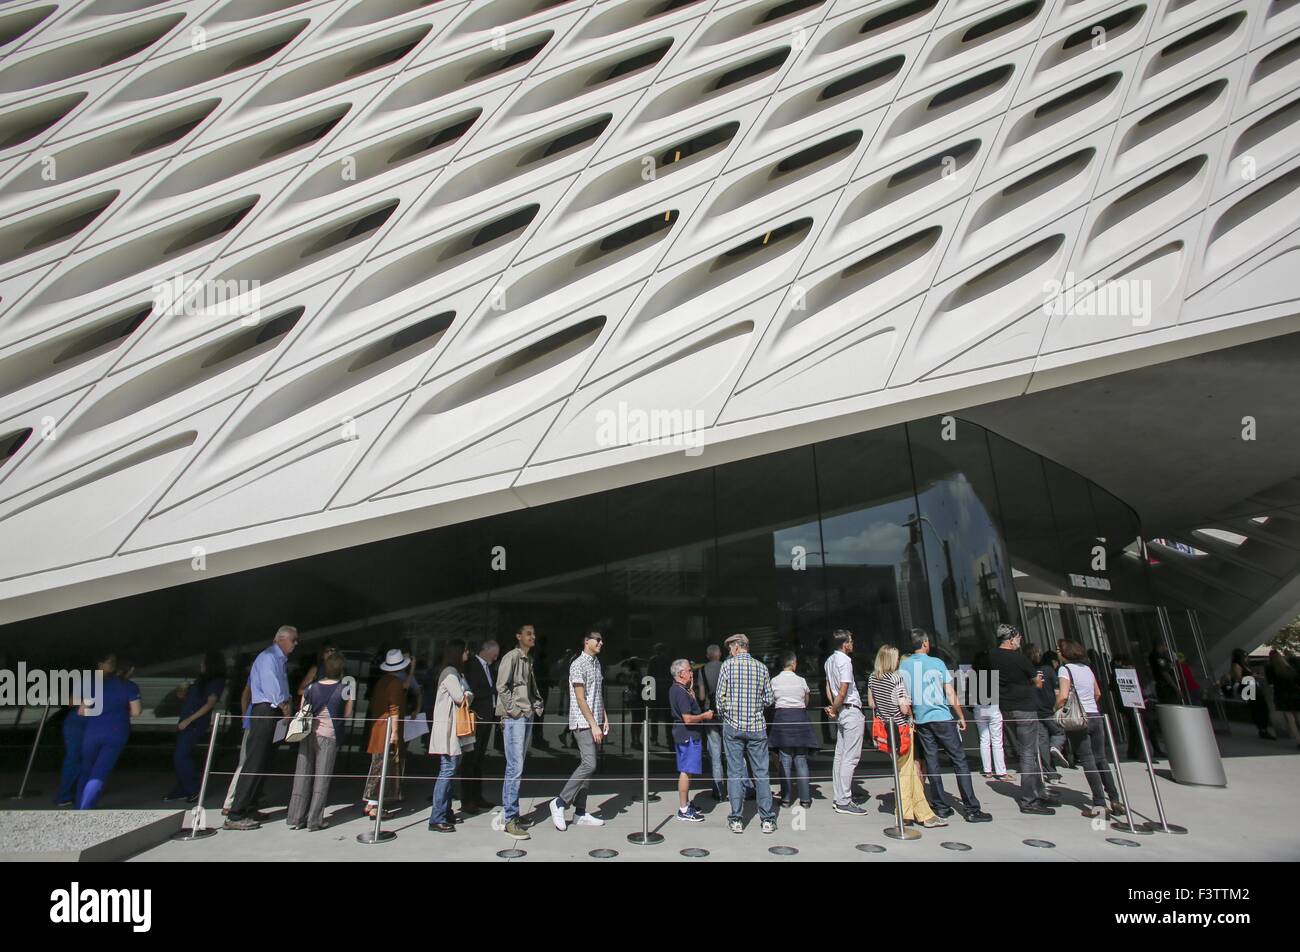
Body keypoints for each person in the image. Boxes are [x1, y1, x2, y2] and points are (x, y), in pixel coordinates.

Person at [899, 630, 992, 823]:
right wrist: (960, 715)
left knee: (932, 762)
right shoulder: (937, 663)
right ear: (925, 643)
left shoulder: (904, 666)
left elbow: (904, 695)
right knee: (959, 760)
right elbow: (950, 692)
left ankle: (940, 805)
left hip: (922, 720)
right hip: (942, 716)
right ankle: (971, 807)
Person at [226, 626, 298, 829]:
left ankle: (250, 805)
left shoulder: (280, 660)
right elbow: (272, 688)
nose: (296, 644)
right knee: (255, 760)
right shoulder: (268, 658)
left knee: (266, 760)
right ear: (282, 639)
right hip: (266, 711)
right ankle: (236, 813)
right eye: (293, 640)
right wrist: (285, 708)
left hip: (275, 714)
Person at [867, 644, 944, 828]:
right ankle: (904, 813)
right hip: (902, 728)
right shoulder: (896, 678)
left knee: (906, 770)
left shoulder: (872, 678)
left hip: (886, 729)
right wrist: (910, 713)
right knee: (904, 771)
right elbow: (903, 706)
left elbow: (871, 703)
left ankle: (923, 814)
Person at [1055, 640, 1125, 818]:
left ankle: (1099, 804)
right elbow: (1098, 693)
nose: (1057, 652)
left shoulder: (1065, 669)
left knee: (1087, 760)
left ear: (1065, 652)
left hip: (1080, 718)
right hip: (1095, 715)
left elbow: (1063, 696)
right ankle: (1115, 799)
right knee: (1101, 758)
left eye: (1059, 649)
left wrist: (1055, 708)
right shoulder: (1087, 669)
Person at [990, 623, 1054, 815]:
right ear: (1011, 639)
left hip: (1006, 708)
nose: (1020, 641)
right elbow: (1038, 682)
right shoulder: (1020, 659)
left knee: (1026, 751)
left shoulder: (992, 656)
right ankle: (1029, 799)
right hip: (1024, 707)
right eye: (1018, 638)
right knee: (1028, 754)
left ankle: (1039, 790)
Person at [716, 633, 776, 834]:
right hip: (756, 727)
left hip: (733, 726)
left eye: (729, 649)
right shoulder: (762, 667)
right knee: (761, 773)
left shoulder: (727, 666)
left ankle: (736, 819)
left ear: (735, 647)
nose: (729, 652)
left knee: (734, 773)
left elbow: (719, 699)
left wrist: (728, 714)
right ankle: (767, 819)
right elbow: (769, 699)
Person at [549, 631, 609, 831]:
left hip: (595, 721)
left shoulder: (596, 663)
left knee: (587, 766)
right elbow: (581, 698)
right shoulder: (577, 664)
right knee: (589, 764)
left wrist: (604, 718)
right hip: (582, 722)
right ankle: (559, 803)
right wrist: (593, 724)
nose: (601, 642)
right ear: (586, 641)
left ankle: (580, 812)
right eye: (597, 640)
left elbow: (597, 694)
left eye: (601, 640)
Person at [287, 649, 352, 830]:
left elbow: (303, 711)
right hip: (328, 736)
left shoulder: (311, 688)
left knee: (302, 775)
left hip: (308, 735)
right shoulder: (344, 689)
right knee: (321, 779)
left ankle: (296, 818)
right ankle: (314, 820)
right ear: (341, 670)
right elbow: (346, 714)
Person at [496, 624, 545, 840]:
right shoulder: (512, 657)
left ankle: (513, 813)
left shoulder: (528, 659)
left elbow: (528, 686)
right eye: (528, 633)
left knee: (518, 765)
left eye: (534, 633)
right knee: (514, 767)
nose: (532, 637)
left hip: (525, 715)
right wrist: (515, 711)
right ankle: (509, 819)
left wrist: (535, 705)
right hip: (516, 717)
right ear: (518, 636)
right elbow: (501, 686)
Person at [76, 653, 142, 810]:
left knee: (86, 769)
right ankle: (85, 809)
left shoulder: (95, 685)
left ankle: (78, 806)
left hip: (92, 732)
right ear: (130, 670)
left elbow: (81, 711)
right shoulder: (130, 686)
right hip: (116, 732)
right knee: (100, 772)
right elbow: (136, 712)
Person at [165, 650, 227, 803]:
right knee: (180, 755)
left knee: (181, 755)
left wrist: (190, 720)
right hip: (186, 720)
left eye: (204, 663)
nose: (201, 665)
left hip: (194, 722)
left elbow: (210, 703)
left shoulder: (215, 681)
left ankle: (193, 787)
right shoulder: (201, 680)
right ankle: (183, 788)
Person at [428, 639, 473, 833]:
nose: (467, 654)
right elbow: (462, 697)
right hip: (448, 730)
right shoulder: (450, 675)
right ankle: (437, 817)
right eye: (465, 651)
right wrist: (468, 694)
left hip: (451, 730)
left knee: (449, 769)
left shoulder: (453, 673)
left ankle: (445, 812)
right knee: (447, 770)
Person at [56, 655, 111, 806]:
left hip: (94, 724)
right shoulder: (90, 680)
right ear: (100, 664)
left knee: (88, 759)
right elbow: (71, 701)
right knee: (74, 758)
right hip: (78, 723)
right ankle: (64, 795)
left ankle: (78, 792)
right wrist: (91, 702)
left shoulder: (112, 682)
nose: (113, 666)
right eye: (110, 662)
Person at [361, 648, 409, 818]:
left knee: (377, 765)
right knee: (382, 767)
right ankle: (374, 804)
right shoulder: (395, 684)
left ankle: (371, 802)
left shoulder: (383, 681)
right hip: (386, 729)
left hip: (379, 728)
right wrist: (395, 732)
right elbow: (394, 709)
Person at [823, 629, 866, 816]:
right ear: (845, 644)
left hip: (841, 709)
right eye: (851, 640)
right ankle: (844, 800)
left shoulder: (829, 660)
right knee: (850, 756)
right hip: (849, 708)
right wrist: (835, 707)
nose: (852, 643)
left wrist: (833, 707)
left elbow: (828, 686)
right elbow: (844, 687)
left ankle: (839, 796)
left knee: (840, 755)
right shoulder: (845, 661)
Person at [768, 651, 818, 809]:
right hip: (800, 718)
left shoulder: (774, 681)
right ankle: (805, 799)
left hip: (782, 718)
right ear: (793, 663)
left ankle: (786, 798)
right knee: (801, 760)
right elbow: (806, 699)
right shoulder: (801, 680)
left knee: (785, 760)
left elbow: (770, 700)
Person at [669, 658, 712, 822]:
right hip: (687, 735)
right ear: (681, 673)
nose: (691, 673)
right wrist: (704, 716)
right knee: (686, 770)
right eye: (689, 670)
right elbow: (687, 718)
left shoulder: (681, 689)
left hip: (687, 735)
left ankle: (686, 804)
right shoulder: (679, 692)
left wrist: (691, 691)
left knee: (689, 770)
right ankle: (683, 809)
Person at [461, 640, 499, 810]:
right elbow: (472, 691)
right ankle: (467, 799)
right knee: (470, 759)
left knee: (479, 760)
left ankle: (477, 796)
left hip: (487, 718)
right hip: (476, 718)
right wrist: (493, 690)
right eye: (494, 653)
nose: (496, 657)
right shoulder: (472, 665)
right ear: (486, 650)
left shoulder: (489, 667)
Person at [971, 648, 1012, 782]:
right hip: (993, 706)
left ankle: (987, 770)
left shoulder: (972, 674)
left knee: (984, 739)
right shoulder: (994, 674)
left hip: (978, 706)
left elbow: (968, 694)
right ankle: (1001, 771)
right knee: (997, 740)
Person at [1231, 648, 1274, 739]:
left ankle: (1263, 728)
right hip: (1247, 687)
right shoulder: (1237, 665)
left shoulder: (1244, 665)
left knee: (1261, 706)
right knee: (1257, 708)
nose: (1247, 657)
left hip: (1252, 686)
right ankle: (1262, 729)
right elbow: (1239, 678)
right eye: (1245, 655)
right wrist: (1252, 676)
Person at [1266, 651, 1300, 747]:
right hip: (1295, 694)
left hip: (1281, 696)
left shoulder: (1270, 668)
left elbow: (1271, 684)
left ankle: (1298, 741)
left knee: (1290, 719)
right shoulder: (1289, 667)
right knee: (1298, 717)